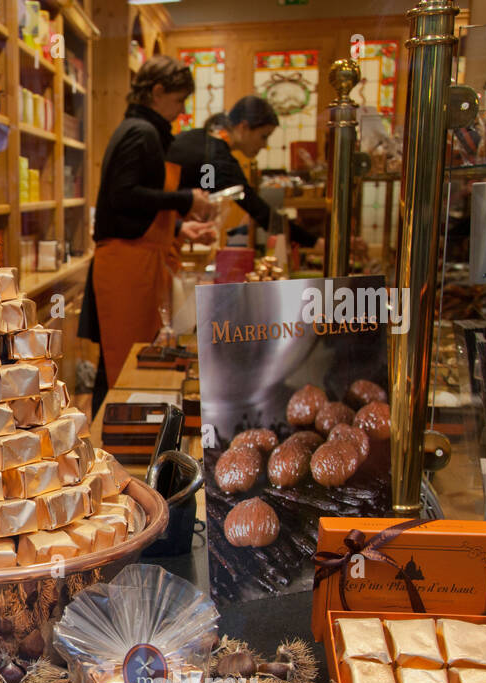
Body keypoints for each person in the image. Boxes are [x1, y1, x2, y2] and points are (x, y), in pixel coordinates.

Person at [83, 56, 217, 419]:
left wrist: (177, 227)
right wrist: (186, 199)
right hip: (127, 268)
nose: (181, 110)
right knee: (122, 369)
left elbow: (133, 207)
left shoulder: (142, 132)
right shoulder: (140, 133)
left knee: (119, 367)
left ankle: (106, 451)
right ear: (157, 92)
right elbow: (123, 196)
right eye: (178, 100)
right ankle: (109, 452)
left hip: (137, 264)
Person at [168, 96, 320, 249]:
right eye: (264, 136)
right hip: (156, 235)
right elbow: (261, 213)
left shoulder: (201, 138)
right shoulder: (219, 158)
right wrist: (315, 243)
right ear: (243, 127)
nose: (264, 145)